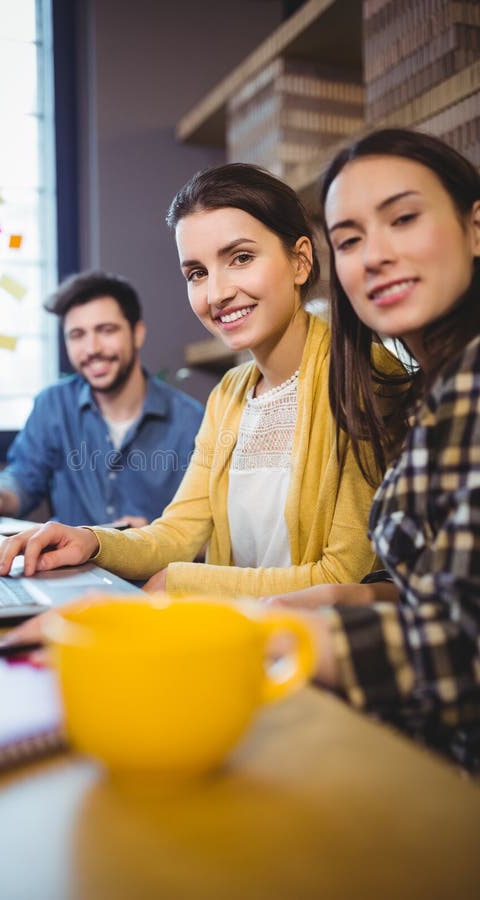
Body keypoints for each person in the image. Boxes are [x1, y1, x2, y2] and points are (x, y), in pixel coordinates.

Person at [0, 163, 387, 598]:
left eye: (241, 258)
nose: (216, 294)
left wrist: (183, 581)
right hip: (235, 640)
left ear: (301, 260)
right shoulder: (229, 394)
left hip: (318, 652)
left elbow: (344, 578)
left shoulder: (364, 377)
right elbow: (178, 532)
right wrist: (91, 539)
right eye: (197, 273)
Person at [265, 128, 480, 772]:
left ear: (475, 228)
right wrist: (355, 599)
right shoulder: (431, 388)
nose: (374, 256)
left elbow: (462, 648)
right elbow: (443, 587)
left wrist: (258, 635)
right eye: (351, 239)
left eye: (404, 219)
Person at [0, 270, 204, 527]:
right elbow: (23, 478)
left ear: (137, 333)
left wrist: (154, 537)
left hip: (154, 566)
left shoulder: (190, 420)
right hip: (70, 567)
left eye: (106, 330)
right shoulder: (53, 405)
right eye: (77, 335)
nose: (92, 349)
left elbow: (207, 527)